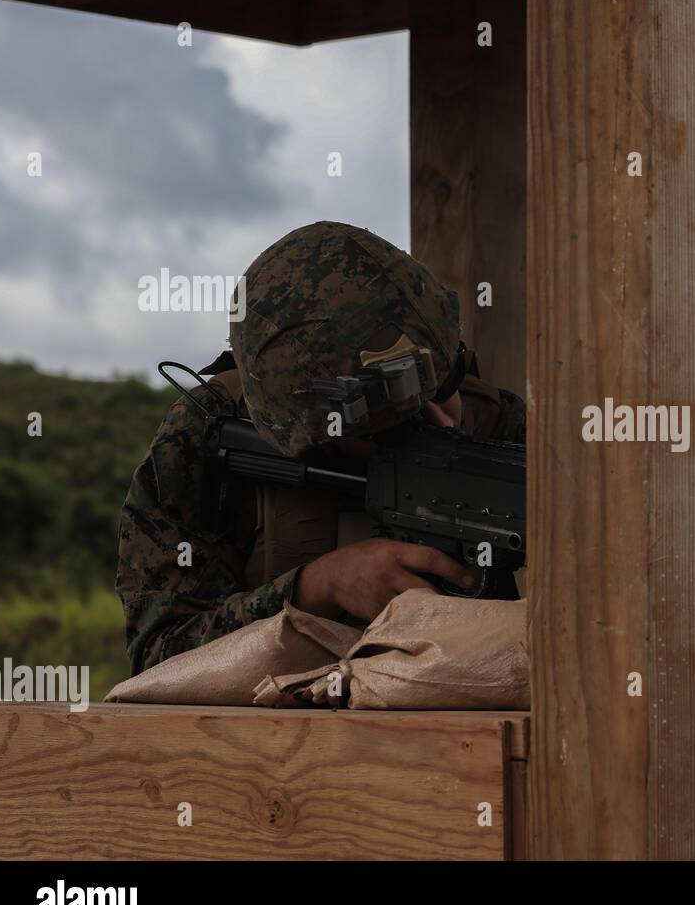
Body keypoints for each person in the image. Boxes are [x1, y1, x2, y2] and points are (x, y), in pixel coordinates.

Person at [117, 221, 525, 674]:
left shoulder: (502, 428)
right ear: (312, 431)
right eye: (387, 427)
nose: (442, 421)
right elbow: (159, 659)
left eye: (445, 383)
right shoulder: (207, 440)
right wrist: (316, 588)